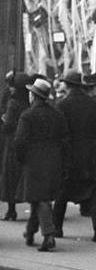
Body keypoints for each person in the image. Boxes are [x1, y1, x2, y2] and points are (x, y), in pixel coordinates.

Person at [53, 70, 96, 242]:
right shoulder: (95, 104)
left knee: (62, 192)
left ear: (67, 85)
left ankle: (57, 228)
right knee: (94, 192)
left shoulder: (62, 105)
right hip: (91, 153)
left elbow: (60, 133)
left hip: (70, 154)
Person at [15, 78, 68, 252]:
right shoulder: (57, 114)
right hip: (54, 160)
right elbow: (65, 139)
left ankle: (48, 235)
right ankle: (30, 232)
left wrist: (22, 159)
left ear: (33, 95)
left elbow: (20, 141)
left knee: (41, 198)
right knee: (38, 197)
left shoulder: (27, 115)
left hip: (34, 161)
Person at [1, 72, 30, 221]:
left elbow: (8, 124)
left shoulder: (13, 103)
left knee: (10, 177)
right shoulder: (28, 101)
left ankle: (11, 210)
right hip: (27, 143)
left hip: (12, 142)